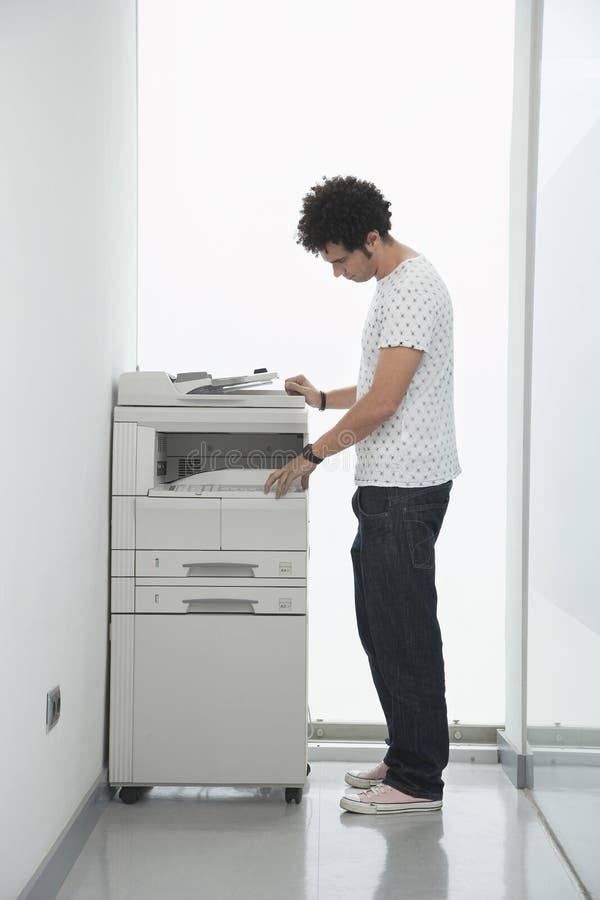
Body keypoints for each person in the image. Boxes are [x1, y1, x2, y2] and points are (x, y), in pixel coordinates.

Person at [263, 175, 461, 815]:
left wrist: (313, 453)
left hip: (404, 491)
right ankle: (406, 752)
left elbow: (385, 401)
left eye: (339, 258)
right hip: (389, 487)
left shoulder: (411, 289)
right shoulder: (394, 283)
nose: (336, 271)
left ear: (371, 239)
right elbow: (377, 384)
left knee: (405, 633)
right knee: (383, 629)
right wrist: (322, 398)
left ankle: (415, 782)